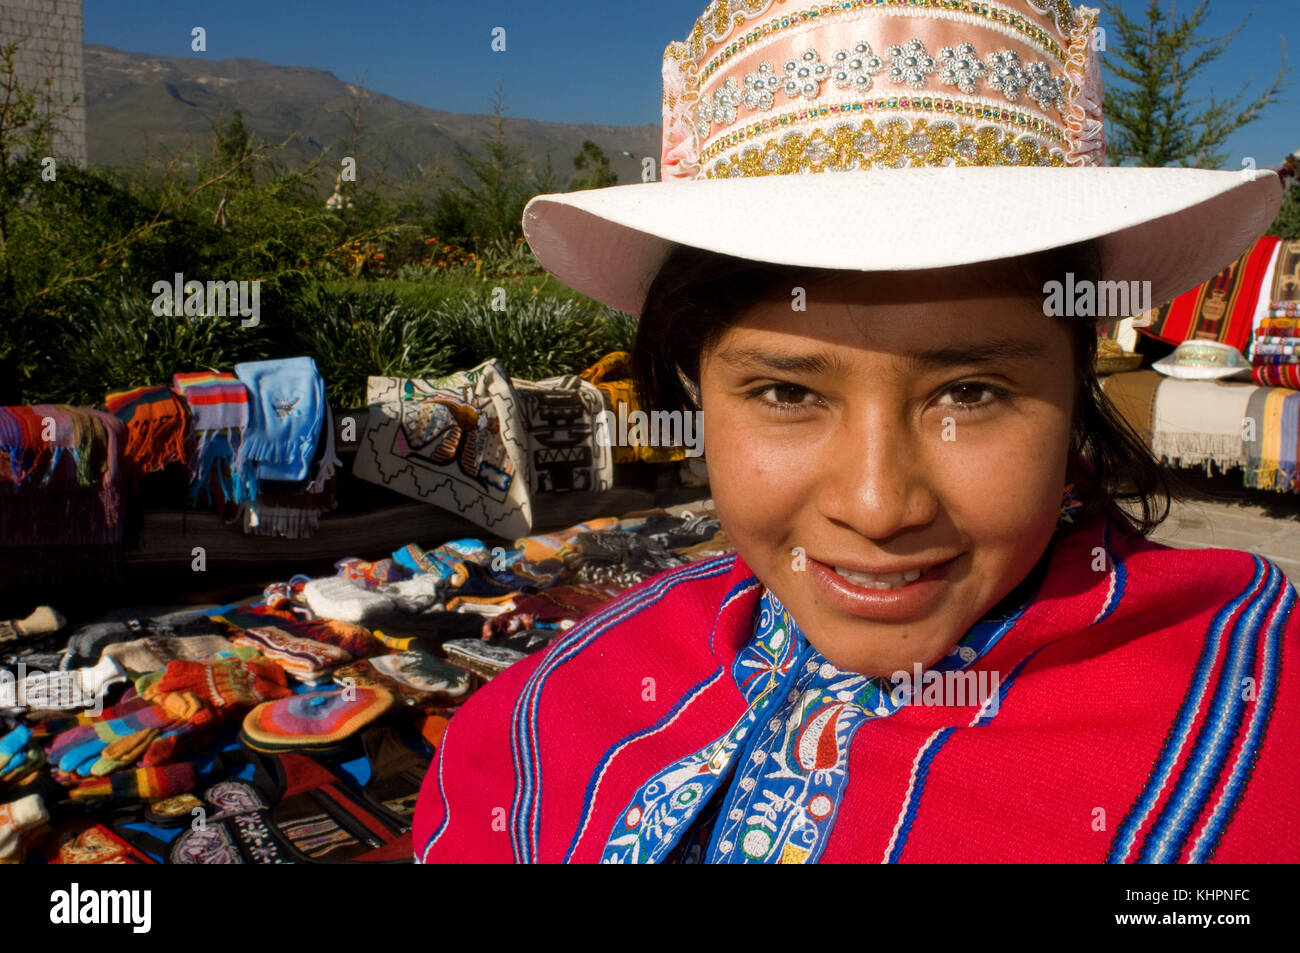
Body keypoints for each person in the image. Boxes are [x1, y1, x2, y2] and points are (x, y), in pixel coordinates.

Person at [413, 0, 1298, 863]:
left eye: (973, 392)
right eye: (787, 394)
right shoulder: (541, 718)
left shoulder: (1260, 726)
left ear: (1075, 385)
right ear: (697, 391)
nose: (878, 507)